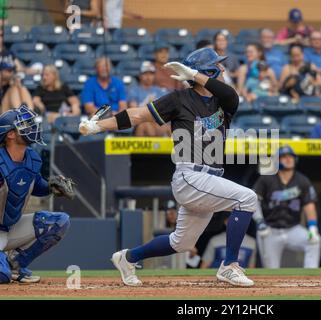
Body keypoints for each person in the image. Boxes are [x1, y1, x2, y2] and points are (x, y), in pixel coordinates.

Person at [79, 48, 258, 287]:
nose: (223, 69)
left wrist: (195, 74)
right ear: (209, 71)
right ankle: (229, 266)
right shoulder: (178, 99)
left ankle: (128, 258)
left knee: (181, 243)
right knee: (247, 198)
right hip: (190, 175)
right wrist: (97, 127)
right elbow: (137, 116)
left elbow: (229, 92)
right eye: (218, 65)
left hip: (209, 180)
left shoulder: (224, 100)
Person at [0, 105, 72, 284]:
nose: (31, 128)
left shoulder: (32, 158)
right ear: (10, 134)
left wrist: (51, 186)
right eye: (24, 125)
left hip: (8, 228)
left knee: (59, 222)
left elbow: (34, 185)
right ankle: (6, 268)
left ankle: (15, 264)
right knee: (2, 276)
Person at [253, 145, 321, 269]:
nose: (288, 159)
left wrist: (312, 227)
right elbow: (253, 201)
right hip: (270, 230)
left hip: (293, 229)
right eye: (283, 157)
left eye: (290, 157)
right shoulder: (266, 178)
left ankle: (312, 277)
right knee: (271, 270)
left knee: (314, 241)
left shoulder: (302, 180)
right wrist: (259, 221)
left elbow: (309, 204)